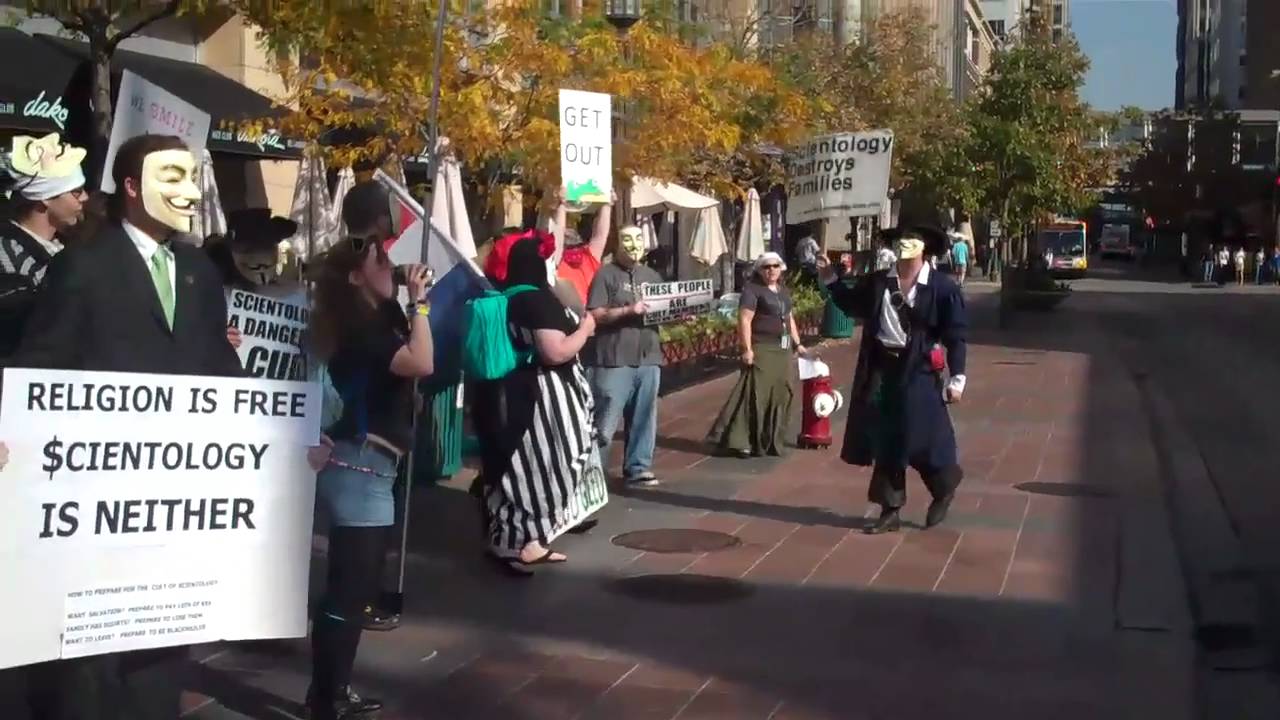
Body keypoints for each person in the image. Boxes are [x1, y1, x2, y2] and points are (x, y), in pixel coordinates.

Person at [4, 134, 248, 720]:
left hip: (173, 507)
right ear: (133, 188)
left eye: (193, 178)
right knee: (87, 670)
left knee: (159, 657)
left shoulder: (199, 271)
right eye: (172, 178)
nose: (189, 193)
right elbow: (40, 367)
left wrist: (278, 440)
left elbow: (218, 363)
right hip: (95, 510)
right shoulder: (82, 268)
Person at [305, 226, 434, 719]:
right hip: (360, 466)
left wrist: (407, 300)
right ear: (358, 277)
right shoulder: (364, 329)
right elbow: (422, 361)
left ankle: (331, 692)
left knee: (352, 587)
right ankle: (327, 697)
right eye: (383, 264)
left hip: (368, 465)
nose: (394, 269)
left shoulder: (373, 318)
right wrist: (420, 303)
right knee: (349, 589)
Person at [817, 230, 967, 534]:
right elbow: (850, 303)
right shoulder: (877, 281)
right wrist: (830, 278)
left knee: (920, 434)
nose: (904, 244)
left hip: (920, 368)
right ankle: (890, 508)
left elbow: (956, 336)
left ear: (925, 247)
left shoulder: (942, 288)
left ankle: (944, 485)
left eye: (912, 238)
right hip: (882, 366)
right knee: (886, 435)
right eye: (900, 238)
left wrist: (958, 378)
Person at [472, 229, 600, 575]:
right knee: (547, 466)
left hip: (511, 392)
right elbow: (554, 351)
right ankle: (520, 542)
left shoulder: (508, 294)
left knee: (517, 467)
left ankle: (514, 539)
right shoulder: (535, 300)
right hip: (543, 398)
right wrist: (585, 329)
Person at [708, 251, 806, 458]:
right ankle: (740, 440)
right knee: (755, 393)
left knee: (781, 392)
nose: (771, 270)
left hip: (783, 349)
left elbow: (789, 318)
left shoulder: (782, 291)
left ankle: (770, 439)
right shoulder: (752, 290)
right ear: (759, 270)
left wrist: (797, 344)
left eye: (775, 266)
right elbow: (744, 320)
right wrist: (747, 349)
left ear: (781, 268)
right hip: (763, 347)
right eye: (766, 267)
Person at [587, 225, 663, 487]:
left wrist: (680, 311)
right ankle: (593, 473)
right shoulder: (605, 275)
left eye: (638, 239)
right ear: (617, 243)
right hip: (613, 358)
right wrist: (628, 310)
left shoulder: (652, 275)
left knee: (644, 417)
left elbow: (663, 310)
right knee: (605, 419)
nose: (634, 245)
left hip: (649, 356)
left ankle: (638, 467)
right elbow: (595, 314)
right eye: (627, 240)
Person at [0, 133, 88, 359]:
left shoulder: (71, 245)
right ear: (46, 198)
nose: (85, 198)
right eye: (76, 192)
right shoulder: (7, 254)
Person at [552, 189, 614, 309]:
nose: (569, 232)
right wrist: (561, 206)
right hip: (563, 314)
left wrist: (606, 204)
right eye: (566, 232)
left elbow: (600, 236)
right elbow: (557, 238)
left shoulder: (588, 256)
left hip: (586, 313)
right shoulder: (555, 259)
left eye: (572, 231)